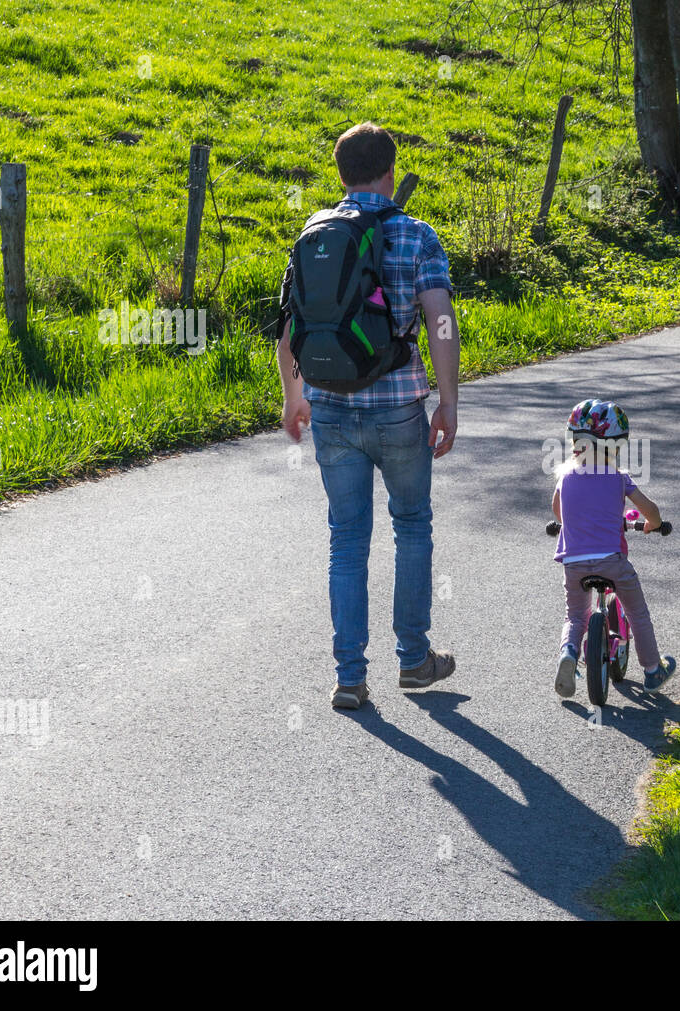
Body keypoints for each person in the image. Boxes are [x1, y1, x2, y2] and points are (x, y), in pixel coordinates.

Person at [276, 122, 459, 710]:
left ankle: (349, 675)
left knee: (347, 539)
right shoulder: (415, 235)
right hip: (400, 409)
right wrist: (448, 401)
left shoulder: (315, 234)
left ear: (341, 173)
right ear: (390, 170)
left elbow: (290, 329)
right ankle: (414, 660)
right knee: (412, 526)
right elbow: (440, 321)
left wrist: (292, 395)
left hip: (329, 407)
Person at [551, 399, 675, 696]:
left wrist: (573, 521)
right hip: (612, 562)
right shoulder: (619, 478)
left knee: (576, 617)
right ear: (615, 447)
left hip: (575, 564)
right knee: (637, 612)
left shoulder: (565, 477)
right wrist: (653, 524)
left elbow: (558, 513)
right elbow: (650, 510)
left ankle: (569, 653)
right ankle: (652, 670)